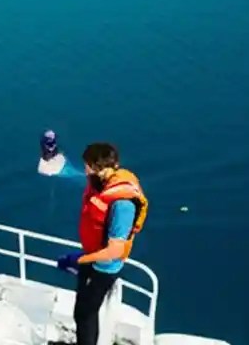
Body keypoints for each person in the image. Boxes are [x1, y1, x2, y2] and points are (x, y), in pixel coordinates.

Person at [55, 142, 149, 345]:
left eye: (88, 166)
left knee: (85, 314)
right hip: (92, 257)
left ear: (102, 168)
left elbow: (115, 250)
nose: (85, 170)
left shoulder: (122, 205)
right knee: (82, 310)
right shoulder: (102, 184)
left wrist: (80, 260)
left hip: (103, 268)